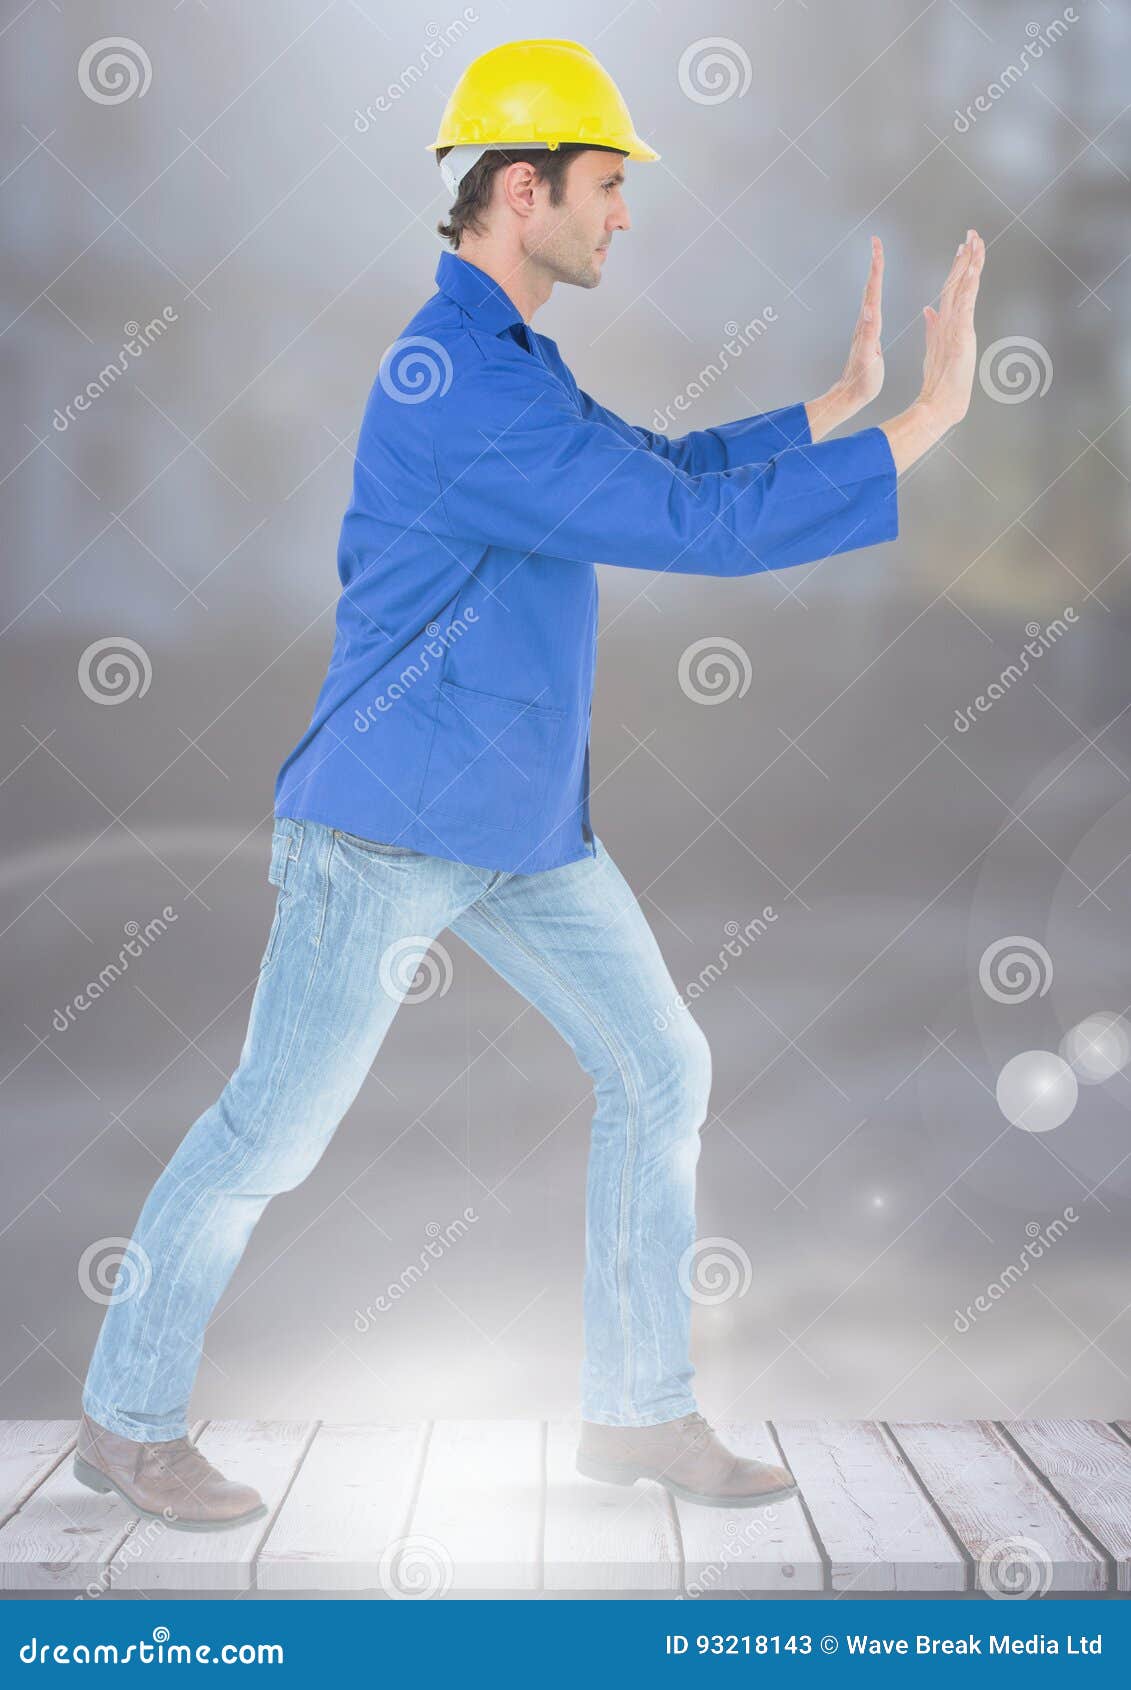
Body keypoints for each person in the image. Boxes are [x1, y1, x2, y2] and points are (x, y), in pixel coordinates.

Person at [76, 39, 985, 1528]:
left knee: (659, 1066)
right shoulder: (455, 387)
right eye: (607, 187)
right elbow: (685, 525)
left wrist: (826, 409)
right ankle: (126, 1416)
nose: (623, 217)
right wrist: (922, 430)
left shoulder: (516, 365)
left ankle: (636, 1415)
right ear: (521, 186)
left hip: (519, 830)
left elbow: (667, 460)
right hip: (382, 828)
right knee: (274, 1129)